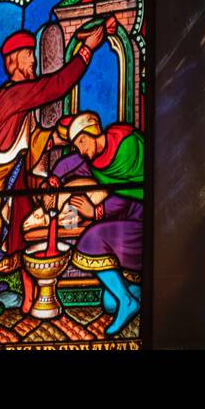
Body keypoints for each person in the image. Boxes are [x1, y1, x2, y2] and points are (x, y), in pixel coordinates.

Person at [0, 22, 107, 328]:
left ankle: (30, 301)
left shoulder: (20, 102)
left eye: (32, 53)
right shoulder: (12, 96)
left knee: (21, 239)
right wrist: (86, 51)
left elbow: (34, 138)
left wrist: (62, 136)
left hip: (13, 179)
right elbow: (55, 86)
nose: (33, 61)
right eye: (28, 54)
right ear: (12, 61)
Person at [54, 111, 144, 337]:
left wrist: (95, 211)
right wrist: (53, 179)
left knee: (91, 238)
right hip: (126, 221)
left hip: (146, 223)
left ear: (92, 132)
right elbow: (73, 164)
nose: (81, 150)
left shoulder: (128, 148)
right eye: (76, 145)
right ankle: (131, 295)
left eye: (81, 142)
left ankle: (128, 300)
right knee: (108, 305)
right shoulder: (96, 158)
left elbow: (128, 193)